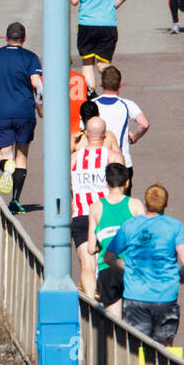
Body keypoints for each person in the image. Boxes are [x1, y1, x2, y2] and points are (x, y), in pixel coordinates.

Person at [105, 183, 184, 346]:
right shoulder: (175, 226)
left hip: (135, 295)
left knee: (137, 346)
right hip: (165, 295)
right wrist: (180, 275)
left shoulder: (130, 225)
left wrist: (128, 266)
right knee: (164, 347)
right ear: (166, 203)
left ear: (145, 203)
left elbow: (109, 257)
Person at [0, 22, 43, 214]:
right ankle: (15, 199)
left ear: (6, 38)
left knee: (5, 155)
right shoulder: (31, 58)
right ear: (24, 38)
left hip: (1, 112)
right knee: (22, 155)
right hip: (24, 111)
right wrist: (40, 107)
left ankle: (6, 166)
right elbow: (35, 83)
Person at [71, 117, 124, 297]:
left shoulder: (73, 158)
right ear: (105, 134)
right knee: (110, 261)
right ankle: (110, 298)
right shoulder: (114, 157)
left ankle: (92, 302)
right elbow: (123, 187)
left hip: (81, 213)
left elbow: (67, 187)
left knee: (87, 265)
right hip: (107, 215)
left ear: (85, 133)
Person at [88, 163, 144, 317]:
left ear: (106, 183)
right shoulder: (135, 205)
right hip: (132, 268)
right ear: (127, 182)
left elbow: (91, 248)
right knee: (135, 321)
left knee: (115, 321)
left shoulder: (96, 207)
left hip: (107, 269)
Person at [90, 66, 147, 170]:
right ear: (120, 84)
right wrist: (135, 137)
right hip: (122, 162)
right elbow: (144, 124)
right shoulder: (127, 104)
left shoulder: (92, 104)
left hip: (97, 162)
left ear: (100, 83)